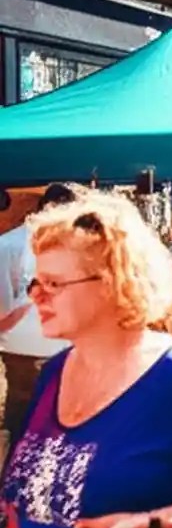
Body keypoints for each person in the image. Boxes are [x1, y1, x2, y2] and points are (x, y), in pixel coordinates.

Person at [0, 190, 172, 528]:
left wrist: (146, 525)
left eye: (53, 283)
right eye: (34, 282)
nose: (36, 296)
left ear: (112, 283)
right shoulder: (54, 372)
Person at [0, 184, 80, 453]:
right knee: (30, 422)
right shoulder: (13, 243)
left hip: (46, 347)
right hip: (28, 348)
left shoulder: (12, 243)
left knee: (38, 423)